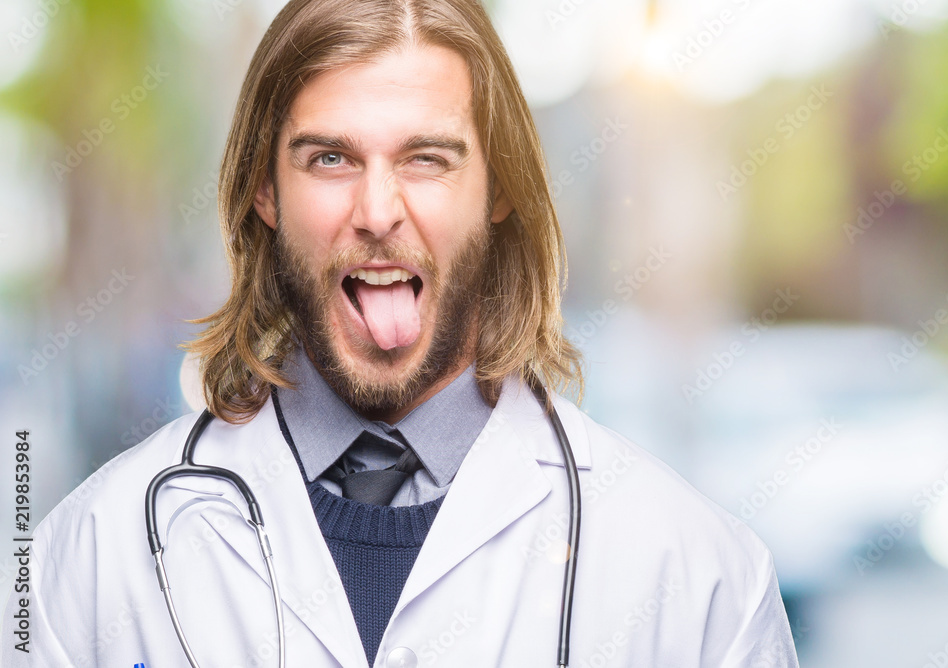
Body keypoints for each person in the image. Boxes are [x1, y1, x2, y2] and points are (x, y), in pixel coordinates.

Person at [2, 0, 800, 666]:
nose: (378, 211)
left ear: (499, 193)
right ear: (264, 194)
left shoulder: (701, 586)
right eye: (329, 160)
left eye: (427, 158)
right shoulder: (89, 564)